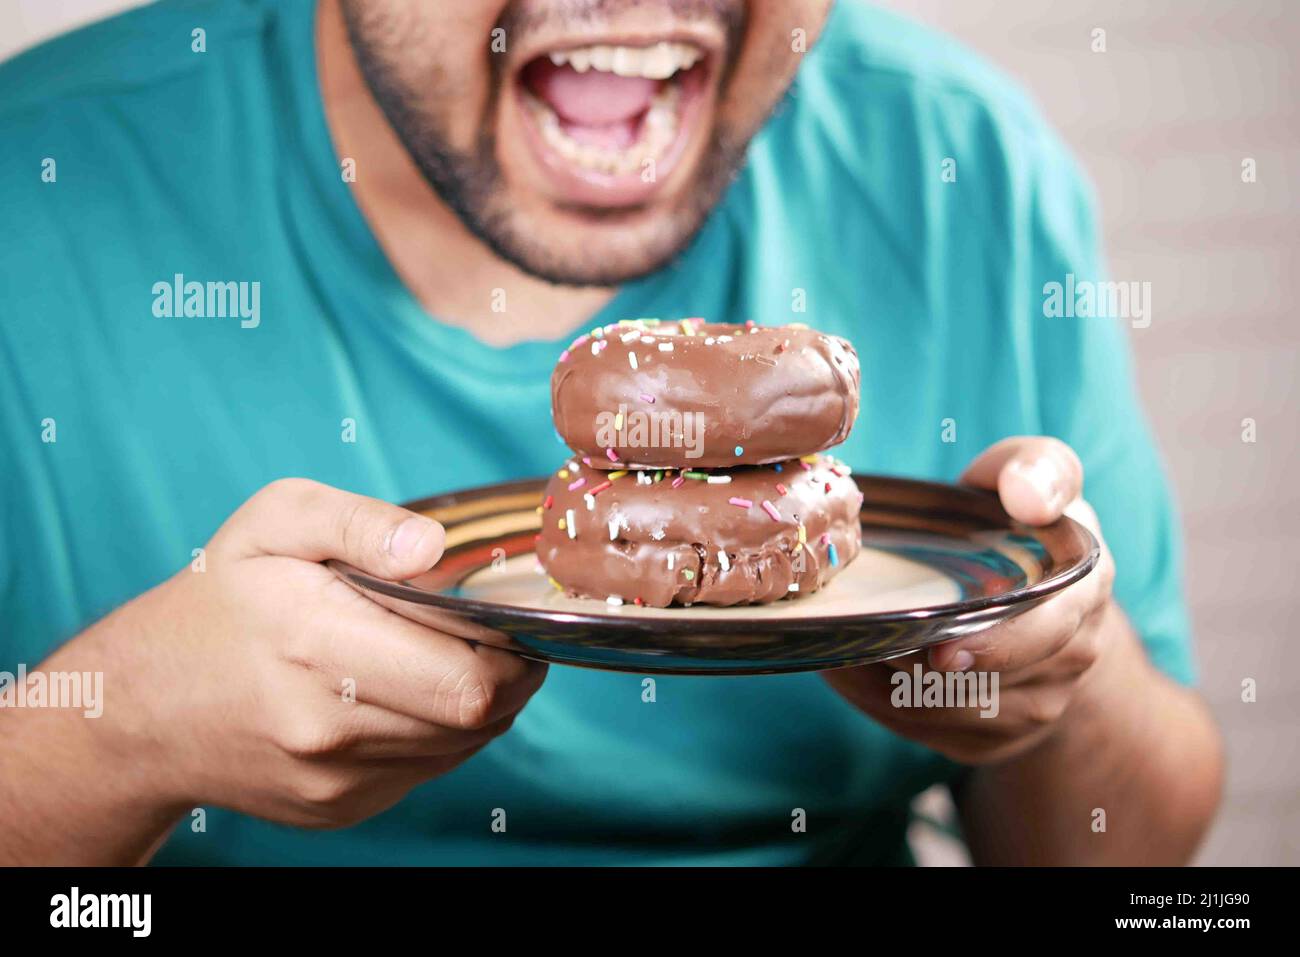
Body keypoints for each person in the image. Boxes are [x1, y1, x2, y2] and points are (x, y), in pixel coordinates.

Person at [0, 0, 1222, 865]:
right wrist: (116, 736)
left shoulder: (963, 166)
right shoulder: (35, 188)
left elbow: (1137, 866)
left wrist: (1060, 664)